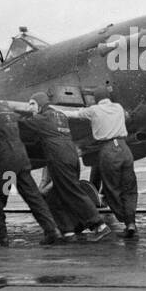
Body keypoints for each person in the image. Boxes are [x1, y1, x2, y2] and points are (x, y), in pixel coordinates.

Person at [0, 86, 62, 246]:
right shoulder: (9, 110)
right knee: (33, 196)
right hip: (21, 159)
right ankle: (52, 230)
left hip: (5, 163)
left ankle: (1, 237)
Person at [22, 92, 111, 242]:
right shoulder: (61, 116)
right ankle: (67, 232)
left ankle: (99, 225)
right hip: (72, 157)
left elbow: (21, 123)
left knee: (73, 193)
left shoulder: (42, 118)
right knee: (53, 198)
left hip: (60, 161)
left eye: (32, 104)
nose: (30, 107)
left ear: (41, 104)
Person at [84, 85, 138, 237]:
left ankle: (124, 220)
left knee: (111, 190)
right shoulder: (119, 107)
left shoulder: (93, 110)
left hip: (108, 150)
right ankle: (131, 223)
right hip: (124, 148)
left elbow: (74, 113)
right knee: (129, 188)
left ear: (96, 98)